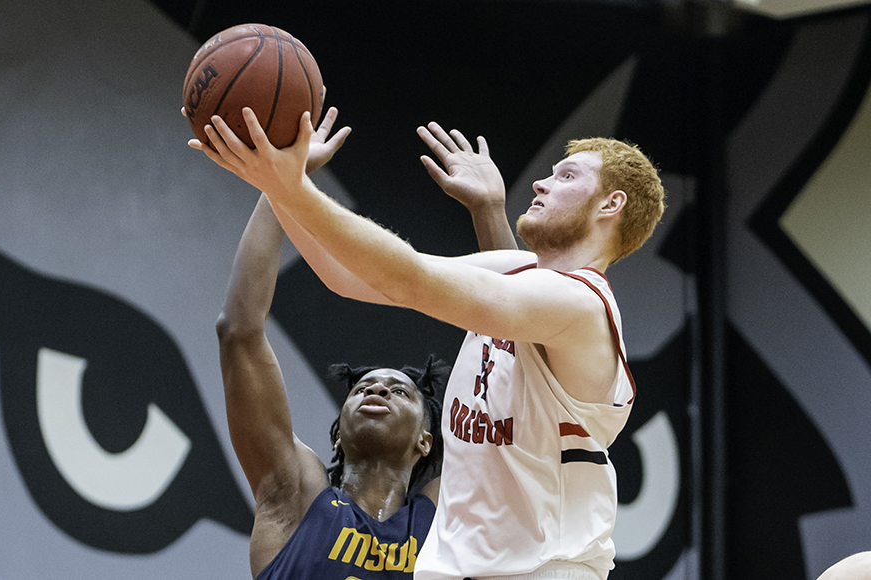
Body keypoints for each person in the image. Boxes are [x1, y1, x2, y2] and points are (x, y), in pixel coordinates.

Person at [193, 107, 666, 580]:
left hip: (543, 570)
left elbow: (409, 279)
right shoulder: (515, 273)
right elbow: (351, 276)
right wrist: (279, 188)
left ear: (611, 204)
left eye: (565, 176)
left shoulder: (581, 305)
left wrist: (290, 187)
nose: (542, 184)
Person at [214, 107, 515, 579]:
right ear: (337, 433)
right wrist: (281, 185)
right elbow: (239, 332)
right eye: (363, 389)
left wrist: (489, 210)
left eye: (400, 391)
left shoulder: (443, 518)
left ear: (426, 440)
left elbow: (514, 344)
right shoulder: (294, 494)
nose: (376, 391)